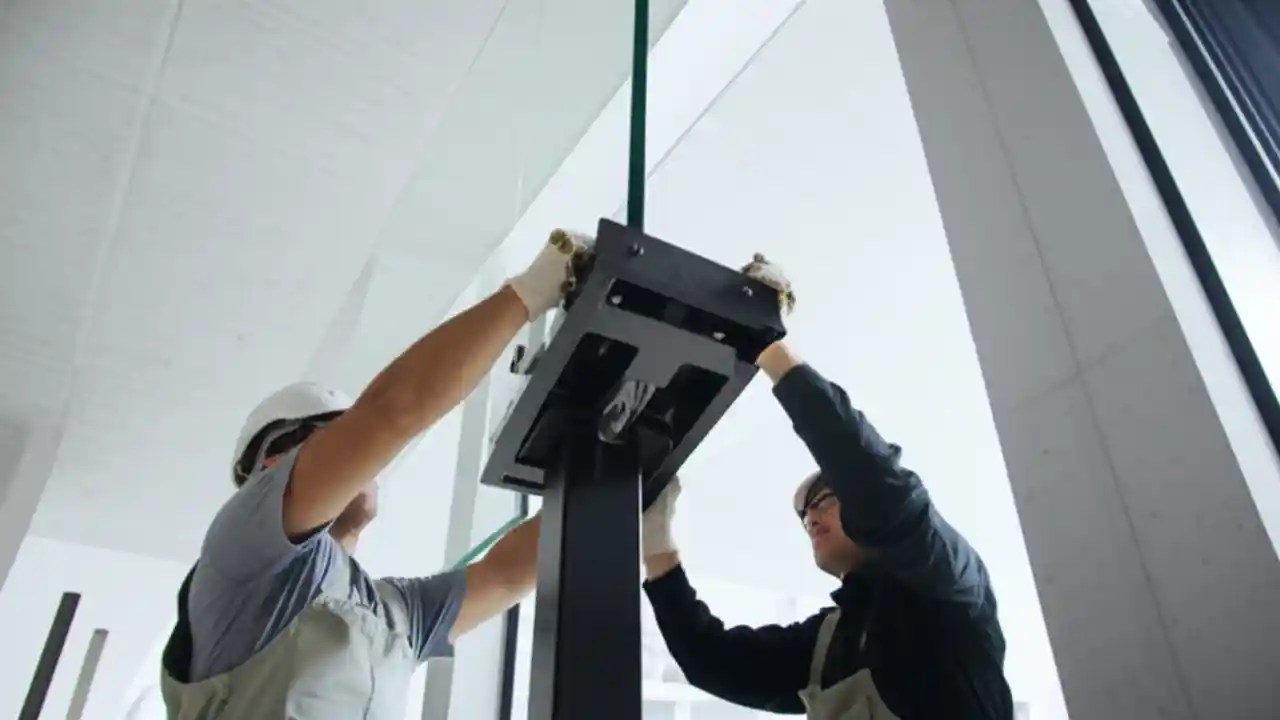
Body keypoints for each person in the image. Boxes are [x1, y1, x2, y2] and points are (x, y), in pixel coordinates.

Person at [159, 230, 592, 719]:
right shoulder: (245, 553)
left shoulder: (394, 615)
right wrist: (532, 291)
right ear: (271, 468)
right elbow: (393, 413)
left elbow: (509, 574)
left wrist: (627, 482)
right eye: (331, 436)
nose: (365, 456)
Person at [641, 258, 1014, 719]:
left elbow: (878, 491)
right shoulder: (826, 642)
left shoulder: (948, 589)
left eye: (825, 499)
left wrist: (771, 350)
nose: (811, 517)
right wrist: (656, 538)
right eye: (804, 513)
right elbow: (711, 661)